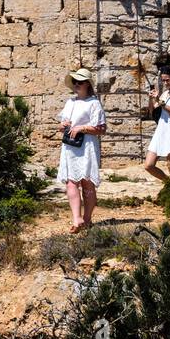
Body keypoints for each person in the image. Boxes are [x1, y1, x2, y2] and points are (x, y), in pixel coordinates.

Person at [57, 67, 107, 233]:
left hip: (86, 146)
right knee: (71, 181)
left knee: (87, 183)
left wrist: (82, 128)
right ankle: (76, 218)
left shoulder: (94, 103)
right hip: (70, 147)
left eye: (80, 82)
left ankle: (87, 219)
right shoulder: (70, 102)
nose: (76, 85)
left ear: (87, 84)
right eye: (75, 82)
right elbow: (62, 124)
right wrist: (63, 126)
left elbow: (101, 129)